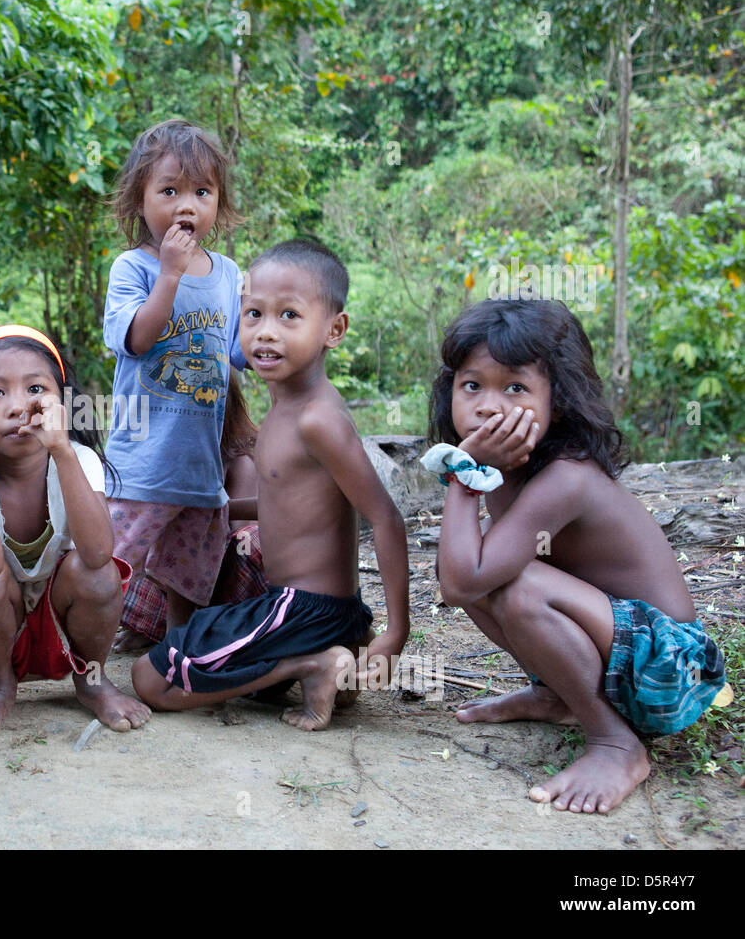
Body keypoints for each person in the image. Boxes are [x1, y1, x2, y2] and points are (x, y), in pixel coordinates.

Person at [427, 295, 727, 814]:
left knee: (512, 585)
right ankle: (560, 696)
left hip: (672, 668)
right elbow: (460, 578)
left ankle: (616, 743)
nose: (488, 405)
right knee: (472, 563)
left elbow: (461, 585)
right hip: (619, 652)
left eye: (515, 387)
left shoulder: (565, 477)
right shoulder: (506, 469)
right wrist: (472, 473)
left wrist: (464, 477)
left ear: (558, 401)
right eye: (471, 385)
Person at [132, 240, 411, 731]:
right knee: (226, 665)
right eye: (254, 314)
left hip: (304, 609)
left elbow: (385, 517)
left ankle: (314, 664)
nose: (266, 332)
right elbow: (289, 507)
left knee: (150, 680)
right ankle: (326, 661)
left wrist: (397, 630)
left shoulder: (318, 420)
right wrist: (221, 508)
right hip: (318, 612)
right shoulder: (287, 407)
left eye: (288, 316)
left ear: (334, 330)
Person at [0, 326, 151, 738]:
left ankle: (93, 679)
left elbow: (100, 554)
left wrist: (62, 451)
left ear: (61, 402)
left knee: (97, 573)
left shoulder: (77, 459)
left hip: (67, 632)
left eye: (35, 389)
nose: (17, 407)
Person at [103, 119, 247, 649]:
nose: (186, 205)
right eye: (169, 191)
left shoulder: (229, 274)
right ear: (139, 201)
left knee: (189, 576)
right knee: (111, 568)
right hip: (141, 464)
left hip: (200, 467)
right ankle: (82, 655)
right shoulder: (134, 267)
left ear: (218, 203)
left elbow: (239, 352)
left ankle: (179, 657)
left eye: (201, 192)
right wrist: (170, 274)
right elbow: (137, 339)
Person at [114, 374, 265, 650]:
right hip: (169, 581)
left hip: (219, 582)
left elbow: (239, 537)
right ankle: (162, 629)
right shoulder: (166, 458)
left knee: (243, 541)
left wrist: (202, 506)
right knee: (116, 566)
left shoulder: (240, 458)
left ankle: (188, 633)